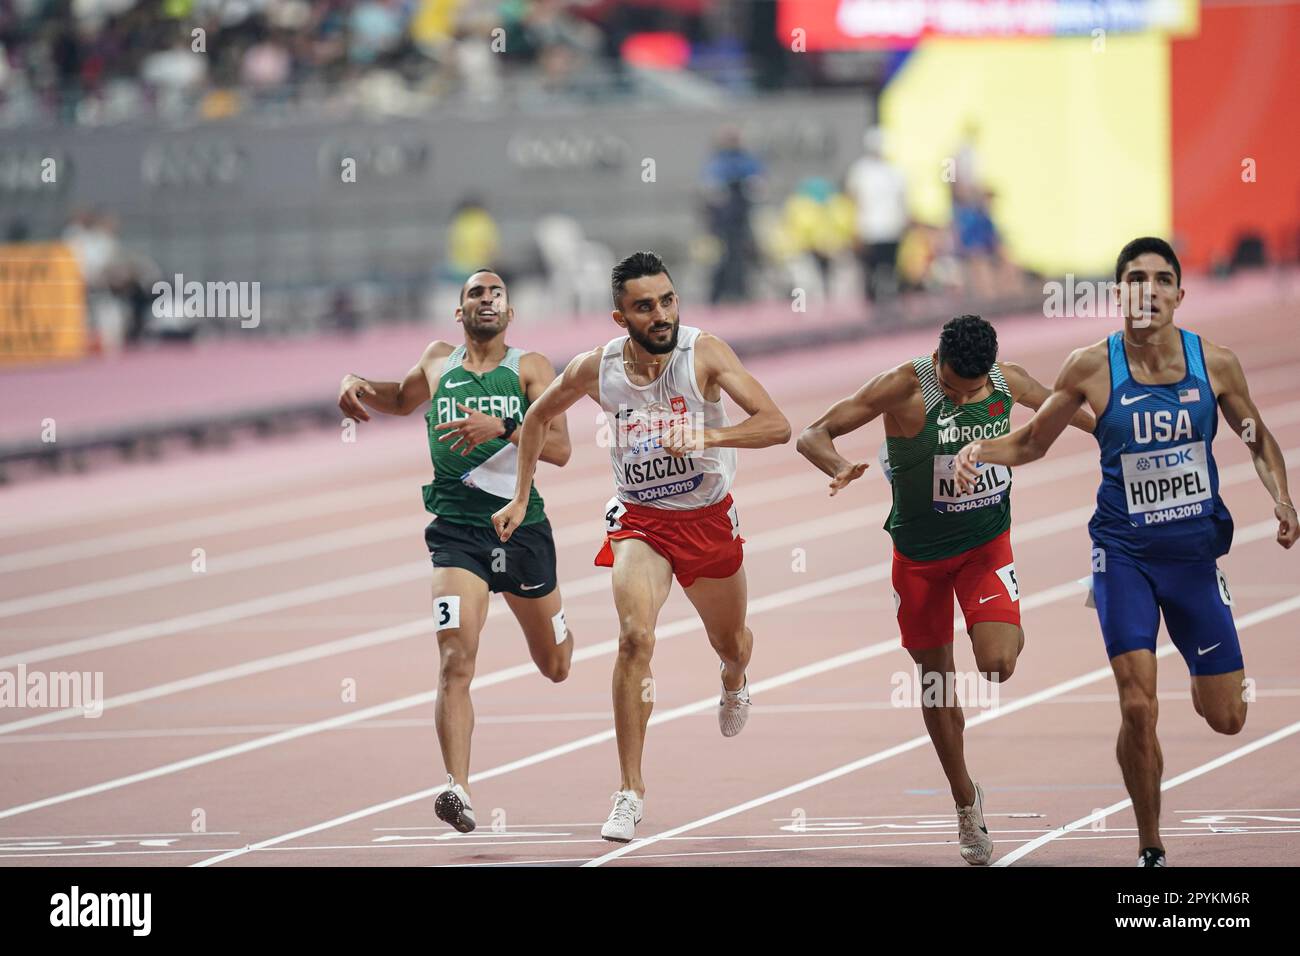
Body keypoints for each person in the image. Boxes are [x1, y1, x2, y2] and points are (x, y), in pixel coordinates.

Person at [954, 237, 1297, 866]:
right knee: (1137, 703)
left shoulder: (1215, 364)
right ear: (1121, 294)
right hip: (1123, 557)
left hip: (1193, 560)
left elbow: (1259, 438)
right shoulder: (1090, 367)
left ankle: (1206, 672)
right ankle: (1150, 845)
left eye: (1162, 280)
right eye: (1137, 279)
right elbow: (1033, 441)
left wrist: (1282, 498)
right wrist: (983, 451)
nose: (1150, 290)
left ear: (1178, 295)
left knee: (1227, 718)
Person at [491, 251, 791, 842]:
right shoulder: (594, 368)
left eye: (668, 301)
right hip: (641, 522)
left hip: (707, 520)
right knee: (634, 639)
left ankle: (733, 676)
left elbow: (777, 424)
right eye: (645, 307)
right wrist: (521, 497)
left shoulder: (703, 353)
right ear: (619, 316)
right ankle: (629, 790)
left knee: (730, 641)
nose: (661, 315)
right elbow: (536, 419)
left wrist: (707, 433)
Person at [796, 314, 1094, 865]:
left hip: (984, 549)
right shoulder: (902, 386)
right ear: (938, 363)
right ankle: (965, 800)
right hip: (919, 562)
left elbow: (1068, 409)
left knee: (998, 664)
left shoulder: (1007, 380)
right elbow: (812, 433)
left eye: (972, 392)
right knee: (936, 686)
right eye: (953, 391)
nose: (961, 401)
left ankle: (997, 627)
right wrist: (837, 466)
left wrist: (1114, 432)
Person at [337, 269, 575, 835]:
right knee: (454, 659)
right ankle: (457, 788)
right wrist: (358, 383)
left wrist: (506, 425)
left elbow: (562, 448)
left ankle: (562, 626)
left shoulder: (531, 368)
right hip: (456, 534)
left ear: (510, 314)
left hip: (519, 530)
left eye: (496, 293)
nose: (486, 299)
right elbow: (398, 398)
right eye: (476, 292)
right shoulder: (438, 362)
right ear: (459, 310)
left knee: (556, 666)